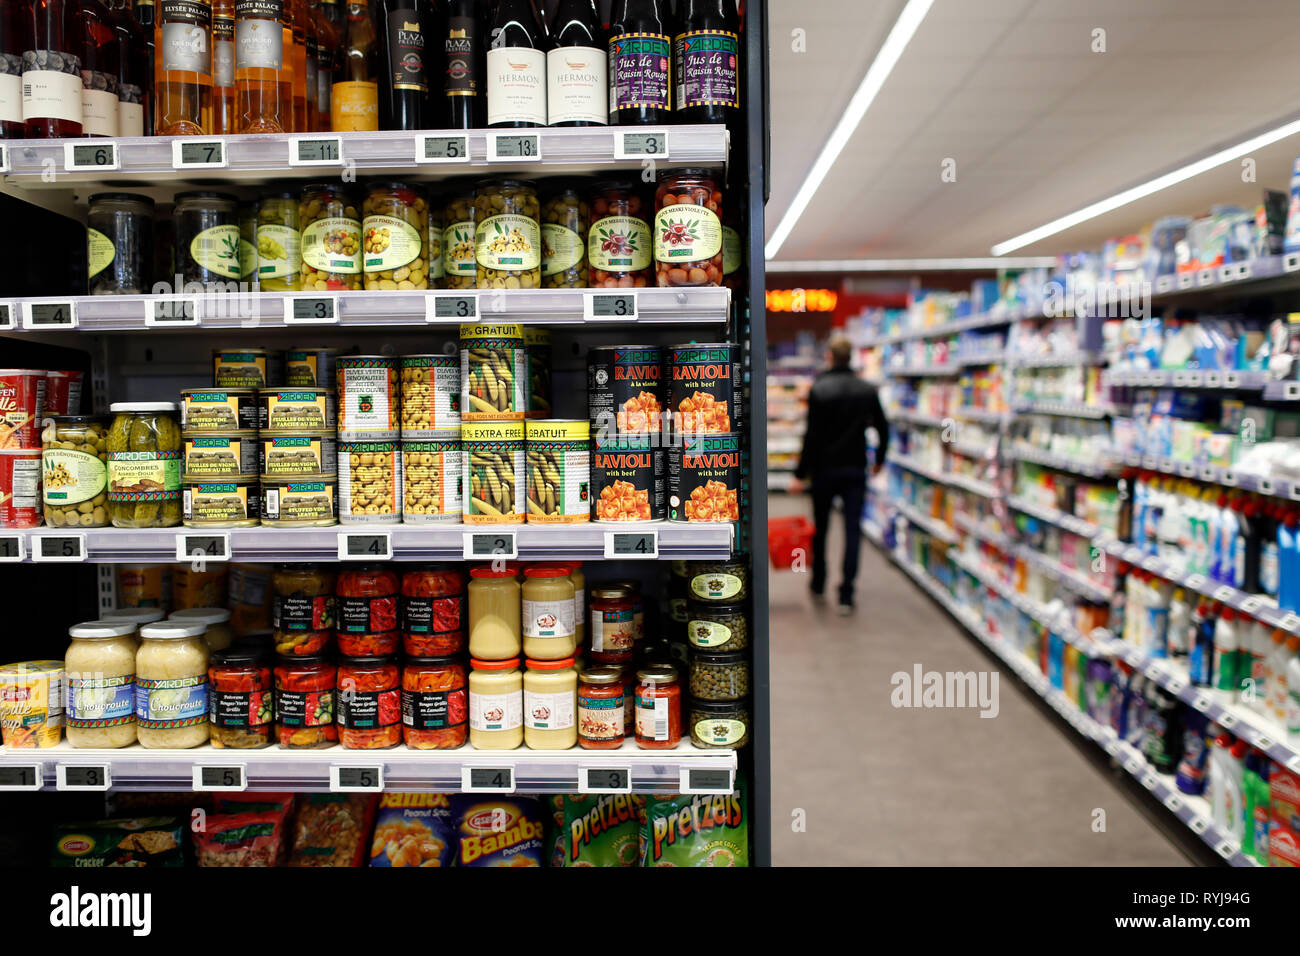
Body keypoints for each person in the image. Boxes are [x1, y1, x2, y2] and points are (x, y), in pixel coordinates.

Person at [789, 336, 889, 614]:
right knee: (852, 530)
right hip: (855, 468)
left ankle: (818, 582)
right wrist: (879, 459)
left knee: (821, 529)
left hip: (824, 469)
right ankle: (846, 594)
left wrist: (800, 473)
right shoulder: (867, 390)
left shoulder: (820, 389)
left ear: (830, 357)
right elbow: (883, 427)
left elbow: (811, 435)